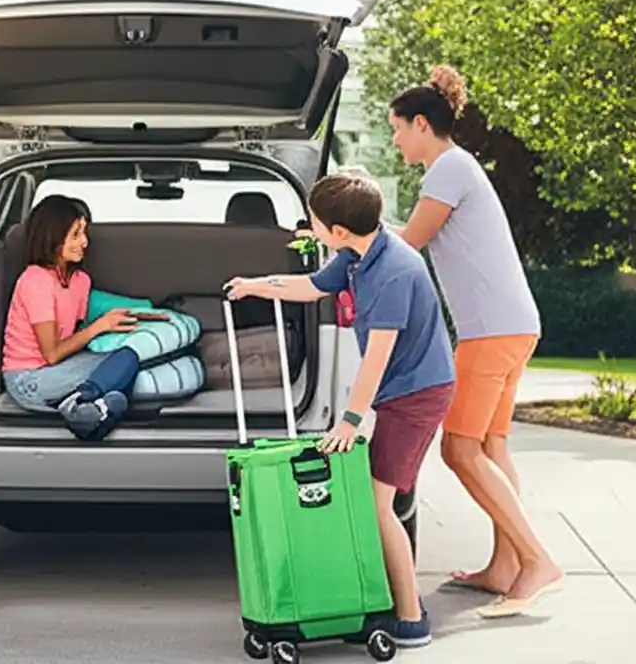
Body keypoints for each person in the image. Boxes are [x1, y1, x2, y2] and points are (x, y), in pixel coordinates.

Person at [225, 173, 455, 648]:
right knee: (375, 499)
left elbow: (377, 358)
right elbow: (311, 286)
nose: (311, 229)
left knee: (377, 505)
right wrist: (255, 285)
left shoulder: (394, 272)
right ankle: (382, 602)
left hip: (416, 393)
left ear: (340, 230)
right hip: (399, 388)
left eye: (316, 223)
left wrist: (350, 420)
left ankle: (411, 620)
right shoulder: (355, 255)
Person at [388, 65, 563, 617]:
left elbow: (410, 241)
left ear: (421, 123)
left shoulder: (447, 170)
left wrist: (341, 228)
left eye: (397, 129)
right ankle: (505, 566)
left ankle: (536, 560)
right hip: (510, 324)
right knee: (489, 447)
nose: (395, 139)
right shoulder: (457, 168)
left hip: (491, 331)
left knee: (459, 449)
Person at [1, 195, 144, 441]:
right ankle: (83, 402)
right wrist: (100, 326)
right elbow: (53, 353)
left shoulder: (80, 281)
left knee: (125, 362)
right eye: (76, 235)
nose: (85, 242)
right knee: (123, 366)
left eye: (84, 234)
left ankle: (90, 412)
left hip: (58, 370)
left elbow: (74, 339)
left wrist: (135, 317)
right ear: (53, 237)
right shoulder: (35, 280)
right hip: (28, 379)